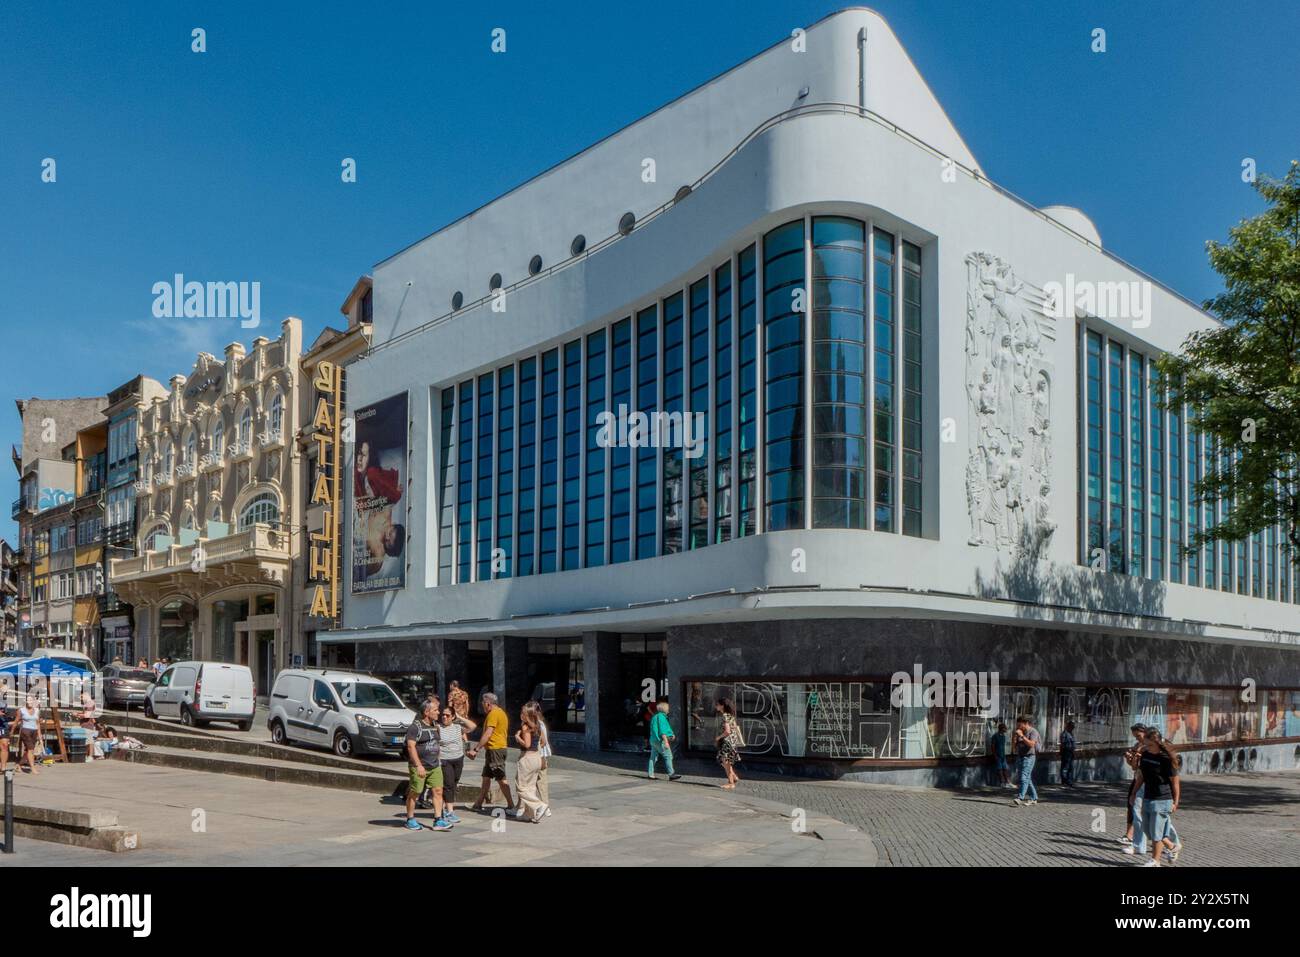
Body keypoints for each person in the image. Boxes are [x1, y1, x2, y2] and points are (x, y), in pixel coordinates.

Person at [1134, 729, 1181, 866]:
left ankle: (1155, 861)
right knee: (1148, 831)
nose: (1145, 745)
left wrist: (1175, 802)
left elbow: (1175, 782)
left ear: (1155, 742)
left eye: (1148, 743)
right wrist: (1134, 793)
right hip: (1148, 797)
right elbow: (1141, 775)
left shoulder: (1165, 758)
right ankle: (1172, 846)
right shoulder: (1145, 755)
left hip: (1163, 799)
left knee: (1156, 834)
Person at [404, 698, 452, 832]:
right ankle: (410, 819)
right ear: (426, 712)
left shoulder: (435, 725)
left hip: (435, 765)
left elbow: (437, 744)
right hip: (420, 766)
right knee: (415, 792)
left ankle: (438, 820)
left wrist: (438, 759)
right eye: (435, 710)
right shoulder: (415, 727)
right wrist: (418, 765)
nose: (439, 713)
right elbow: (410, 747)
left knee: (438, 791)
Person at [467, 692, 514, 812]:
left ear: (488, 703)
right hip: (493, 750)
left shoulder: (493, 714)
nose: (482, 706)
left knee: (501, 778)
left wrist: (476, 749)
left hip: (495, 750)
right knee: (486, 777)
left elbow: (488, 733)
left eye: (483, 703)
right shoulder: (500, 712)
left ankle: (511, 805)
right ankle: (478, 803)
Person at [511, 702, 549, 822]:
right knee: (530, 787)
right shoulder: (538, 725)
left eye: (523, 713)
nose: (521, 715)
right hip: (537, 757)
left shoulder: (526, 727)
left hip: (527, 758)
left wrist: (518, 738)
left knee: (520, 787)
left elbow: (526, 744)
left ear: (528, 715)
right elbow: (543, 742)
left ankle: (539, 805)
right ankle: (528, 814)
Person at [438, 704, 475, 823]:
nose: (444, 717)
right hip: (445, 759)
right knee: (448, 785)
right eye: (443, 714)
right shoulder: (438, 727)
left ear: (453, 717)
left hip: (458, 759)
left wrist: (460, 717)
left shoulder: (458, 727)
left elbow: (473, 726)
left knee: (453, 784)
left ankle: (442, 809)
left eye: (447, 715)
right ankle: (449, 812)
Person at [1120, 724, 1148, 855]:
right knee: (1133, 807)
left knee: (1147, 812)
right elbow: (1134, 767)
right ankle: (1130, 836)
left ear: (1145, 732)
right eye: (1135, 736)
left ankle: (1170, 842)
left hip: (1148, 782)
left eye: (1138, 735)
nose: (1137, 738)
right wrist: (1129, 758)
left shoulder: (1150, 746)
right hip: (1138, 779)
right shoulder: (1138, 746)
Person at [648, 696, 681, 781]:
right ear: (665, 709)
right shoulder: (662, 717)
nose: (669, 710)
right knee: (668, 756)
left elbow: (654, 728)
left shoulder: (655, 717)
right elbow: (663, 731)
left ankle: (650, 774)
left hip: (653, 740)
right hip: (660, 740)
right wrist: (666, 741)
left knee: (653, 757)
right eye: (668, 708)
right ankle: (671, 774)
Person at [1011, 715, 1040, 806]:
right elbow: (1014, 748)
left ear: (1026, 723)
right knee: (1027, 778)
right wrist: (1014, 739)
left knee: (1023, 777)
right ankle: (1034, 798)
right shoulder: (1020, 732)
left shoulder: (1033, 732)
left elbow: (1031, 744)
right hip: (1020, 757)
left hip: (1029, 757)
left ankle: (1020, 797)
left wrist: (1022, 736)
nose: (1018, 727)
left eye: (1020, 724)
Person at [714, 698, 743, 789]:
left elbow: (727, 731)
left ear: (722, 706)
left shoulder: (725, 716)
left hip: (727, 742)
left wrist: (718, 737)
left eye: (717, 704)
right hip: (732, 742)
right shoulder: (730, 715)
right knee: (727, 762)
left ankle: (731, 783)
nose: (716, 706)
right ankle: (734, 777)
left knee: (726, 762)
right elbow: (734, 727)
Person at [16, 695, 41, 775]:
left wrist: (40, 736)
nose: (30, 702)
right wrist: (12, 730)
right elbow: (16, 721)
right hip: (25, 731)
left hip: (34, 731)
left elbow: (38, 723)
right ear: (25, 701)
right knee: (31, 750)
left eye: (31, 700)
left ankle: (19, 765)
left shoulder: (37, 710)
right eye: (28, 700)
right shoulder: (21, 710)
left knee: (28, 751)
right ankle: (33, 768)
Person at [536, 708, 553, 814]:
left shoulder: (538, 724)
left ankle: (545, 806)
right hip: (541, 756)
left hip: (540, 756)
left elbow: (543, 741)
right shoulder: (540, 723)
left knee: (540, 782)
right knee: (539, 782)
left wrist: (535, 748)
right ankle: (544, 806)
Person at [990, 721, 1010, 787]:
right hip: (998, 755)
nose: (1006, 729)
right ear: (1001, 729)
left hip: (1003, 755)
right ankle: (1002, 782)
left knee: (1005, 768)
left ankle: (1007, 782)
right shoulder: (995, 736)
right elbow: (992, 746)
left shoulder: (1003, 736)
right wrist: (995, 755)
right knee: (1000, 769)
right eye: (1005, 728)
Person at [1059, 720, 1077, 787]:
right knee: (1065, 767)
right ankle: (1065, 781)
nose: (1072, 728)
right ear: (1068, 726)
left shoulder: (1071, 734)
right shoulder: (1064, 734)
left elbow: (1073, 744)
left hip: (1071, 752)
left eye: (1073, 727)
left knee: (1070, 767)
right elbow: (1062, 744)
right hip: (1066, 752)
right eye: (1071, 727)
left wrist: (1073, 752)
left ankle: (1069, 781)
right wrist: (1061, 752)